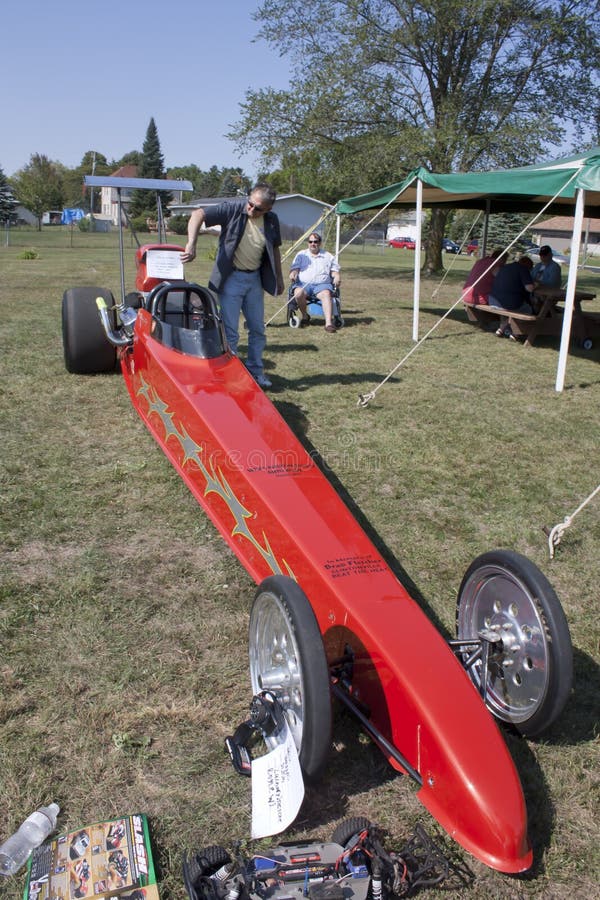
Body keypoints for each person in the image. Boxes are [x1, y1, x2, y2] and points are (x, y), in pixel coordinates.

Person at [181, 183, 284, 388]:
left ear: (269, 209)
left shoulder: (271, 220)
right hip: (231, 279)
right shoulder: (233, 208)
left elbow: (274, 250)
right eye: (250, 204)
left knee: (257, 329)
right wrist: (191, 244)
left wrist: (279, 278)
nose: (252, 210)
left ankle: (255, 372)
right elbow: (197, 214)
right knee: (231, 332)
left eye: (258, 208)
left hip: (254, 280)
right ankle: (231, 375)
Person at [289, 233, 341, 333]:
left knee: (326, 294)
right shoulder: (301, 255)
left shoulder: (328, 256)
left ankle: (328, 324)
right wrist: (293, 274)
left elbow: (335, 271)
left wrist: (337, 277)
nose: (313, 244)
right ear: (308, 243)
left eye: (315, 242)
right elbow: (294, 269)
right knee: (298, 293)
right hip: (303, 284)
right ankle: (305, 316)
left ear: (320, 243)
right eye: (310, 241)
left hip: (322, 286)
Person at [489, 256, 535, 339]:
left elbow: (494, 273)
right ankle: (515, 333)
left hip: (493, 301)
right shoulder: (523, 269)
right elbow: (530, 288)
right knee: (528, 310)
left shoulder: (505, 267)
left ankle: (502, 329)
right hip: (507, 304)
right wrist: (535, 285)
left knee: (510, 309)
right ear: (528, 266)